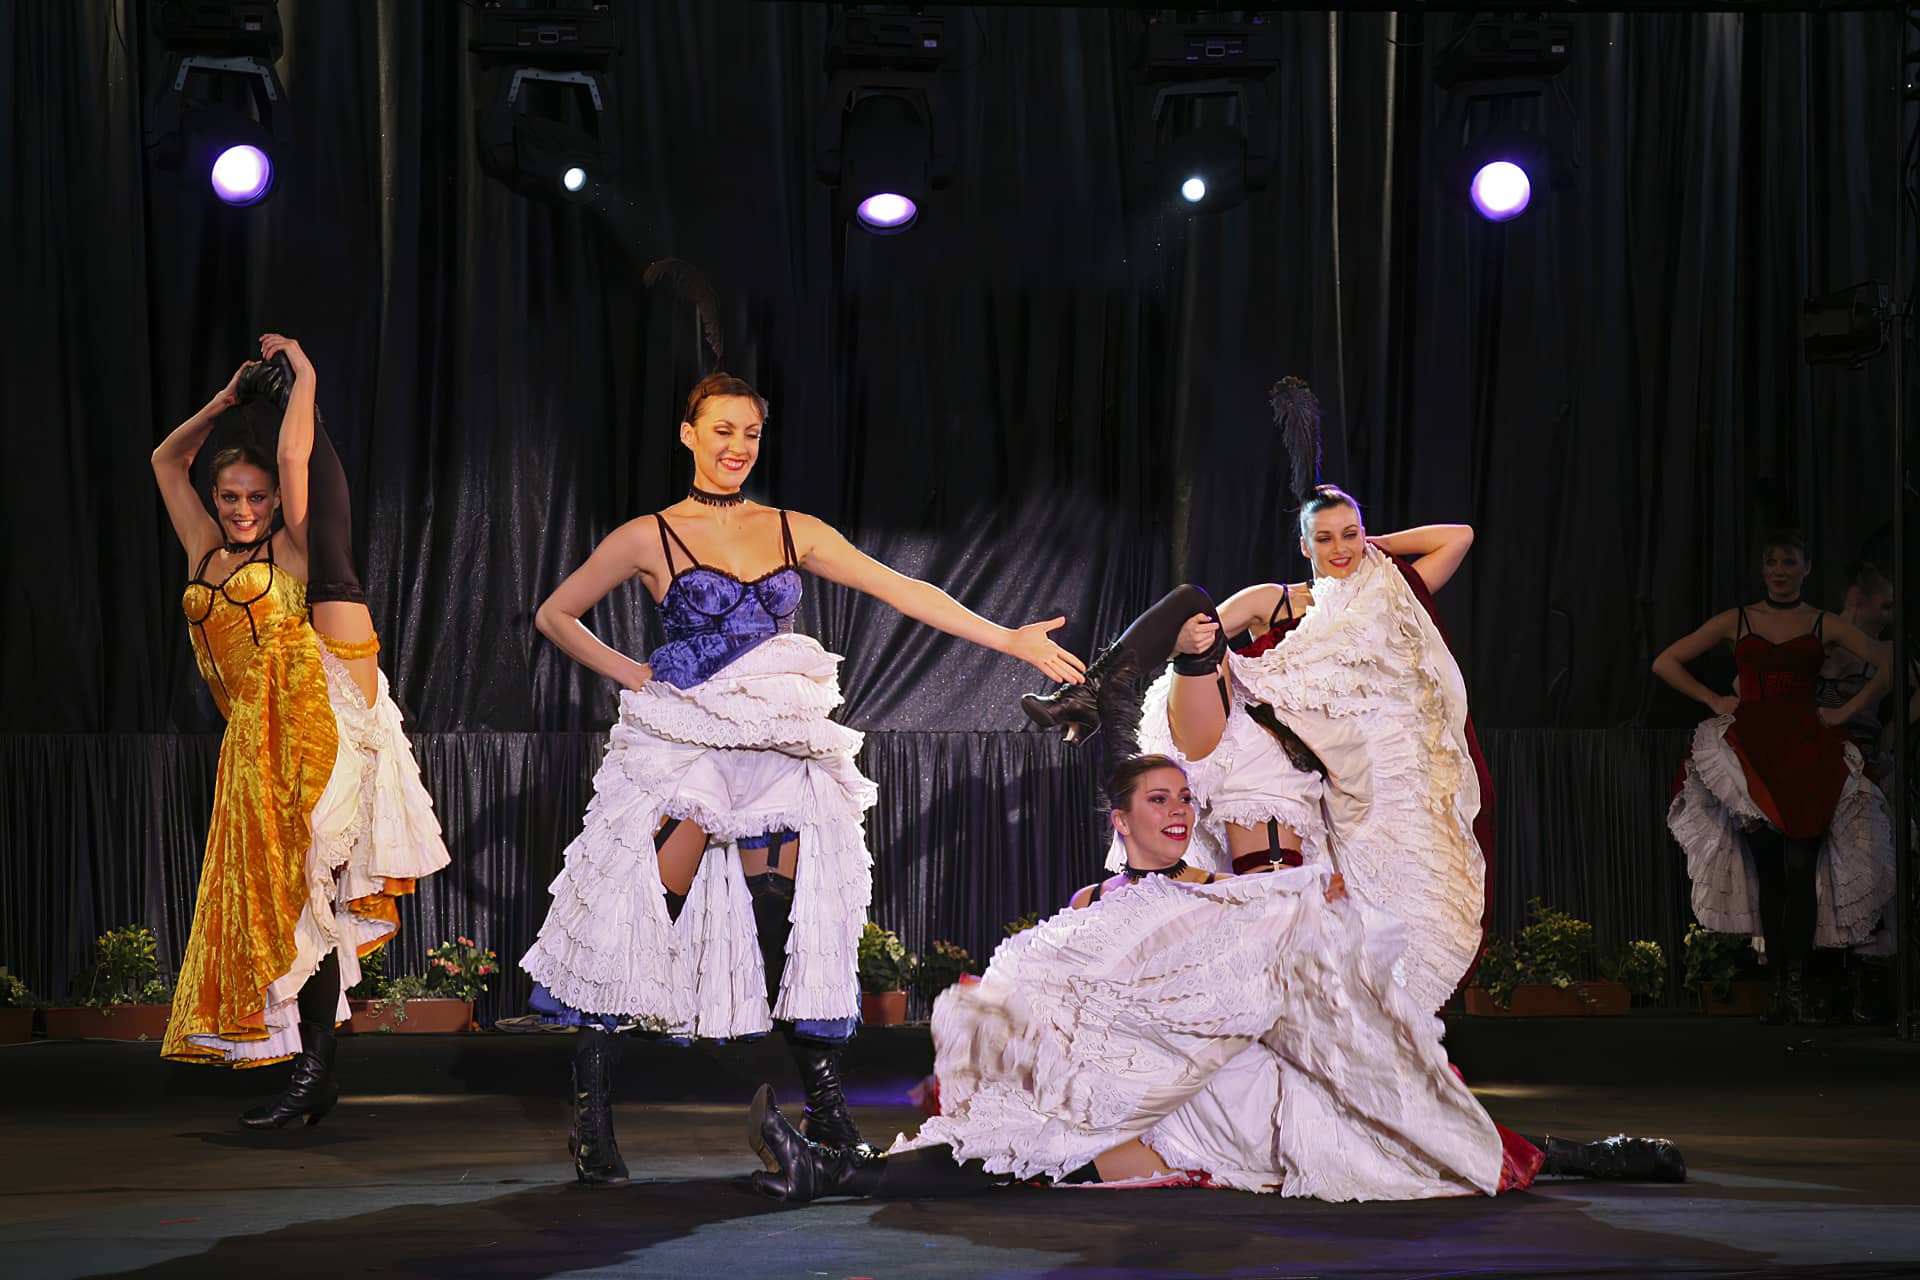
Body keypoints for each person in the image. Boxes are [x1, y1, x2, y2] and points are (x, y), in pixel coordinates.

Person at [519, 370, 1086, 1185]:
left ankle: (827, 1114)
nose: (736, 447)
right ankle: (593, 1121)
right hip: (690, 738)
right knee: (641, 907)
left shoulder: (793, 528)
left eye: (749, 433)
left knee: (788, 915)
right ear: (688, 433)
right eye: (721, 430)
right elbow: (555, 614)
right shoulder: (649, 535)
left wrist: (1008, 640)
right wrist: (633, 673)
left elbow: (902, 588)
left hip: (777, 741)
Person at [744, 756, 1682, 1202]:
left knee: (1405, 1130)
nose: (1180, 811)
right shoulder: (1089, 902)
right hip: (1135, 1095)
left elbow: (1292, 984)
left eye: (1186, 799)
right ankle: (841, 1170)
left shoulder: (1231, 899)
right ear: (1120, 818)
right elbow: (1051, 1002)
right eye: (1160, 800)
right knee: (1036, 1143)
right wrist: (984, 1050)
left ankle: (1591, 1154)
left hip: (1222, 1081)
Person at [1022, 378, 1491, 1015]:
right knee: (1193, 605)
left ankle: (1089, 700)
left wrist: (1370, 549)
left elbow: (1456, 536)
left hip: (1311, 767)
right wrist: (1197, 644)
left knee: (1277, 898)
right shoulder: (1274, 600)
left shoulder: (1389, 596)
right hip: (1238, 733)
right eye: (1323, 540)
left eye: (1348, 535)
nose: (1339, 549)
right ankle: (1092, 693)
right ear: (1303, 547)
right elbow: (1200, 636)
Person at [151, 335, 449, 1126]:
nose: (243, 510)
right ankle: (315, 1072)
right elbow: (163, 462)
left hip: (310, 726)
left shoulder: (289, 550)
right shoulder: (203, 549)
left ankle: (315, 1072)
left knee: (306, 893)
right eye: (230, 500)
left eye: (255, 499)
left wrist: (304, 378)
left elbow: (295, 463)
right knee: (285, 908)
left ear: (275, 506)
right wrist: (223, 403)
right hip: (248, 747)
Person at [1656, 530, 1895, 1023]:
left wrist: (1845, 709)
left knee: (1801, 868)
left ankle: (1798, 985)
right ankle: (1780, 991)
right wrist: (1714, 699)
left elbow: (1887, 662)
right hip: (1753, 752)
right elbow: (1666, 661)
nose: (1780, 570)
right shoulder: (1739, 620)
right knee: (1770, 873)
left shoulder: (1822, 623)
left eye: (1790, 561)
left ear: (1807, 568)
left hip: (1808, 749)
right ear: (1763, 568)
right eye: (1772, 562)